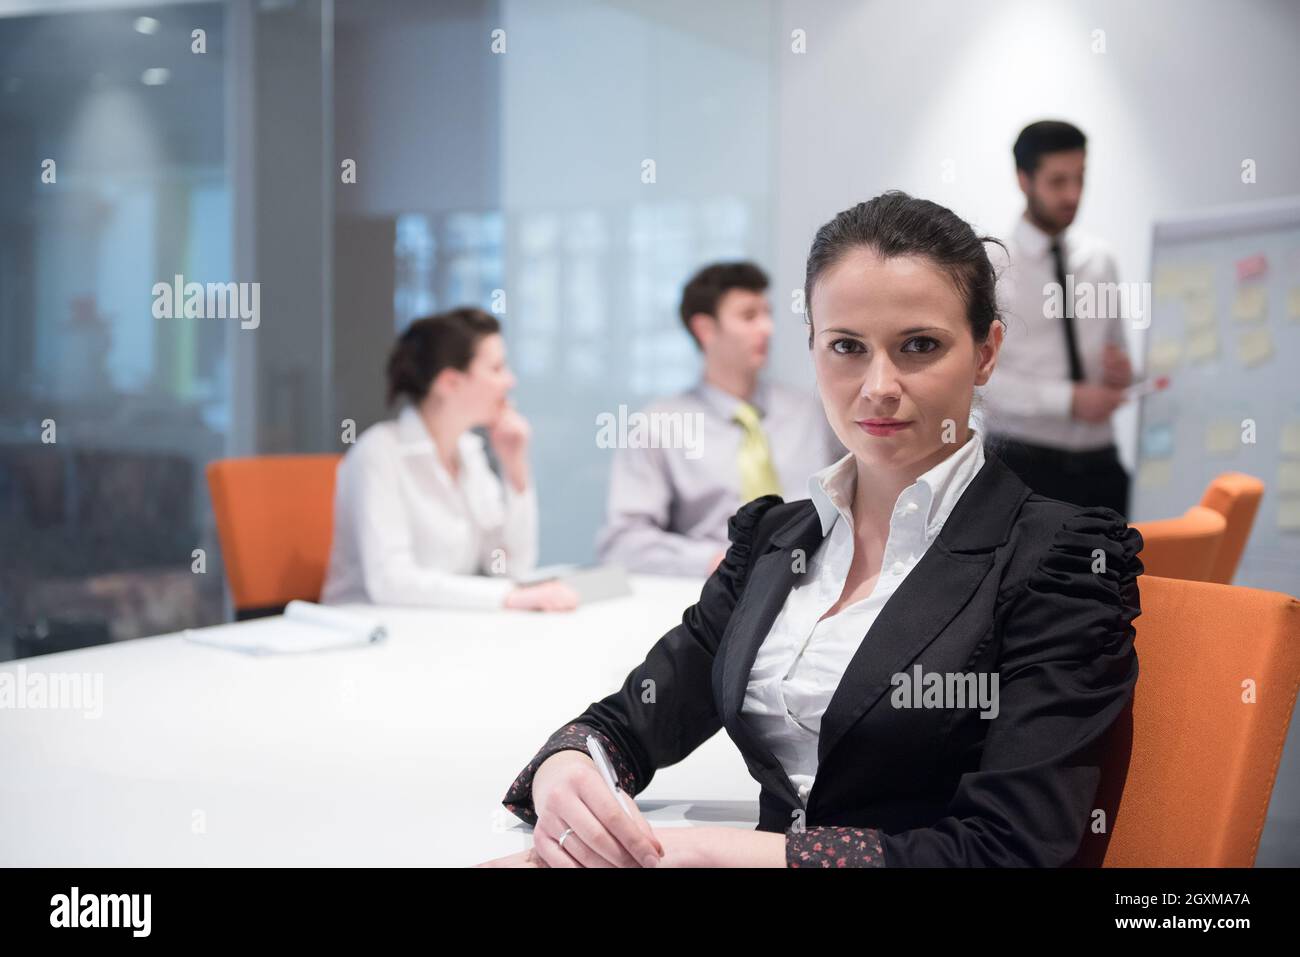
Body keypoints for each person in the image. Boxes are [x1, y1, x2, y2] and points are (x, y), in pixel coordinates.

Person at [482, 192, 1142, 867]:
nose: (878, 385)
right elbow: (630, 720)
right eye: (847, 347)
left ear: (986, 353)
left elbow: (1014, 850)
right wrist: (568, 767)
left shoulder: (1057, 558)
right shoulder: (777, 540)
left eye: (919, 345)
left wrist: (718, 853)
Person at [596, 261, 845, 577]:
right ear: (705, 329)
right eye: (749, 316)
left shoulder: (812, 411)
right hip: (714, 594)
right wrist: (718, 561)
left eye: (767, 314)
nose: (766, 328)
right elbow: (622, 544)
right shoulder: (657, 426)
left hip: (815, 583)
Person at [321, 307, 578, 612]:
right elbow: (390, 582)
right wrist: (505, 597)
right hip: (367, 632)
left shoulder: (469, 453)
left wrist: (516, 471)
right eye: (497, 369)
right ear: (450, 382)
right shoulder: (378, 453)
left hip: (440, 626)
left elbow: (511, 568)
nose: (510, 381)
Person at [982, 119, 1135, 516]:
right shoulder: (992, 264)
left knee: (1120, 575)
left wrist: (1122, 374)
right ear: (1024, 180)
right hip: (1024, 467)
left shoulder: (1099, 260)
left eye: (1080, 178)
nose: (1073, 194)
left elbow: (1118, 353)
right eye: (1058, 181)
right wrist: (1067, 400)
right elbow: (978, 380)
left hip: (1101, 462)